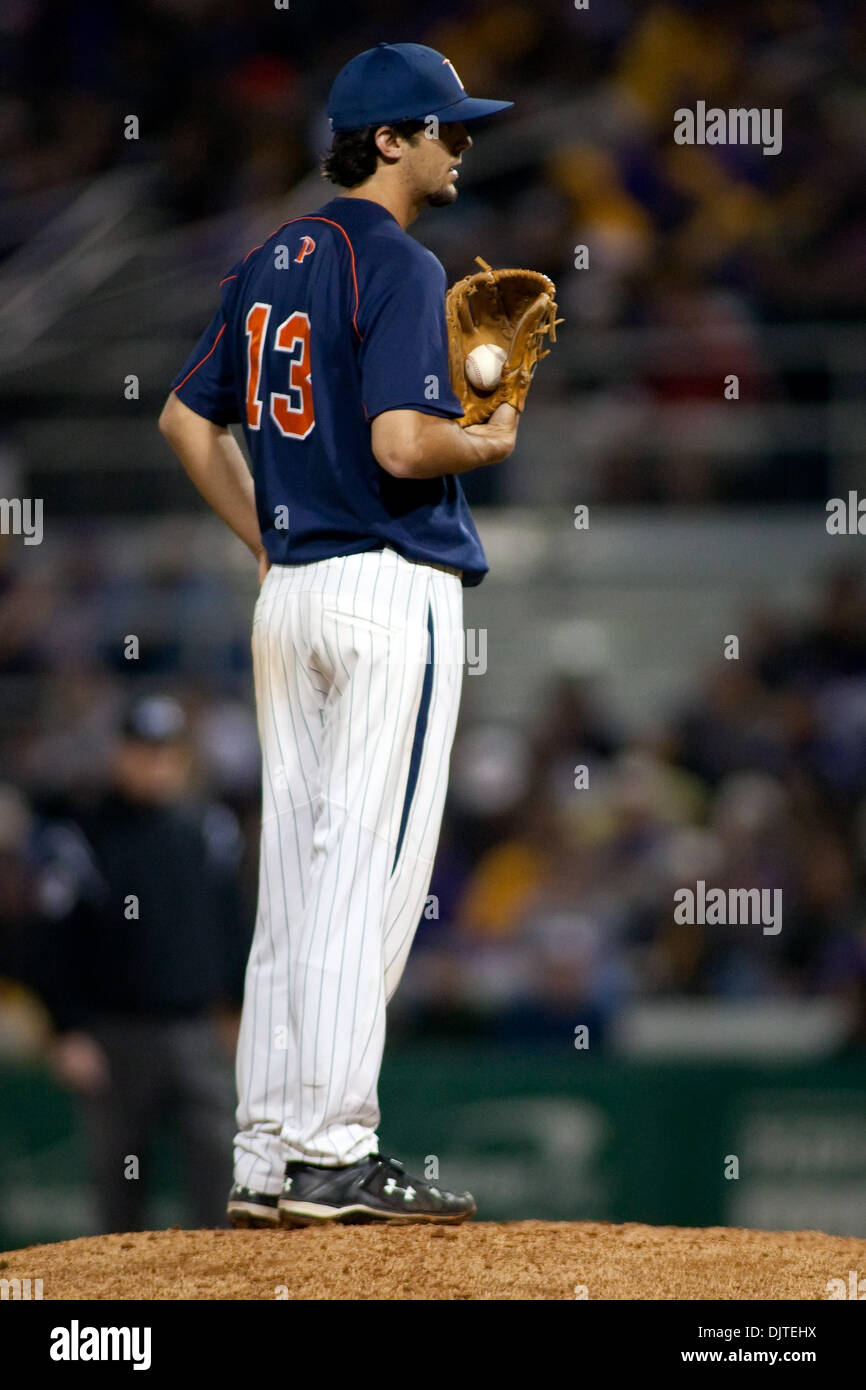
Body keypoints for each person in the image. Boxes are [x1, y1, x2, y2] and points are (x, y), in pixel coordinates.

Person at [159, 42, 518, 1226]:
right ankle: (331, 1151)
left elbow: (182, 419)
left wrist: (260, 536)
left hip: (294, 592)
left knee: (296, 881)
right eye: (445, 128)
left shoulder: (268, 256)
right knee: (360, 873)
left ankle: (268, 1151)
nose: (460, 144)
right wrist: (490, 435)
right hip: (384, 591)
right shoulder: (399, 261)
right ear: (390, 140)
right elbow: (405, 447)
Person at [30, 695, 248, 1232]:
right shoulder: (83, 834)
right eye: (143, 751)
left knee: (218, 1171)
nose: (155, 764)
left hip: (196, 1028)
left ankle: (219, 1288)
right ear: (120, 754)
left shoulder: (207, 830)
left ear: (182, 758)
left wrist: (237, 1007)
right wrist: (67, 1029)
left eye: (165, 753)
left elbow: (232, 926)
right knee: (120, 1182)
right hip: (114, 1034)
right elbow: (52, 942)